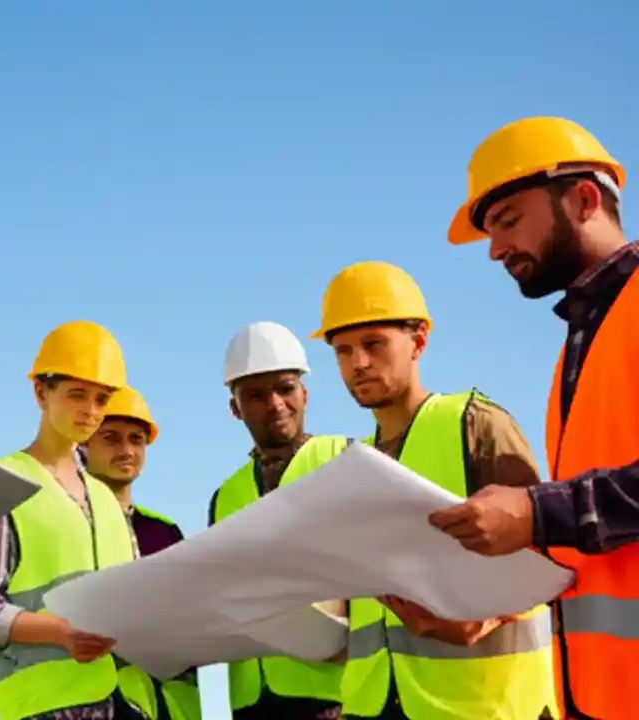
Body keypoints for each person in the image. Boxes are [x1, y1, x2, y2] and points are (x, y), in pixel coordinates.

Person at [429, 116, 632, 720]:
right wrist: (492, 603)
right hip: (597, 696)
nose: (494, 250)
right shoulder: (582, 342)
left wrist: (537, 512)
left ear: (584, 199)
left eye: (509, 220)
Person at [312, 260, 557, 719]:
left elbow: (549, 553)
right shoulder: (353, 468)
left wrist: (482, 618)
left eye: (373, 344)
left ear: (418, 341)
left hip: (486, 705)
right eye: (343, 351)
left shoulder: (476, 425)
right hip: (378, 705)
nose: (358, 363)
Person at [0, 320, 150, 720]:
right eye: (77, 395)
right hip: (45, 709)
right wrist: (61, 633)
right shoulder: (1, 484)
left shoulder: (107, 502)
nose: (91, 411)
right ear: (41, 391)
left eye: (101, 398)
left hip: (125, 704)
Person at [205, 321, 347, 720]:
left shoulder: (346, 461)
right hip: (253, 701)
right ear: (235, 408)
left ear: (304, 393)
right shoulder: (225, 497)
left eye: (285, 388)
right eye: (255, 395)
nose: (274, 403)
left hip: (334, 695)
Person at [81, 385, 202, 720]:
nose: (126, 449)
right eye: (111, 437)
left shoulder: (164, 533)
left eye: (136, 439)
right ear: (83, 444)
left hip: (173, 707)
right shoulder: (71, 528)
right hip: (105, 703)